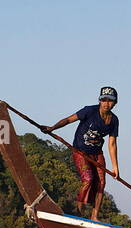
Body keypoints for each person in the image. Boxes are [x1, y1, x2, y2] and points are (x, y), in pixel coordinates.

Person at [43, 87, 119, 221]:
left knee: (101, 183)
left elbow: (112, 143)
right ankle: (79, 214)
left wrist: (115, 167)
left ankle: (95, 216)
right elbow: (68, 120)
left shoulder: (114, 120)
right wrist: (52, 128)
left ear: (115, 103)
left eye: (110, 101)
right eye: (104, 100)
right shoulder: (89, 111)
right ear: (99, 100)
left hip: (97, 153)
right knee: (88, 179)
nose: (106, 103)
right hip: (80, 151)